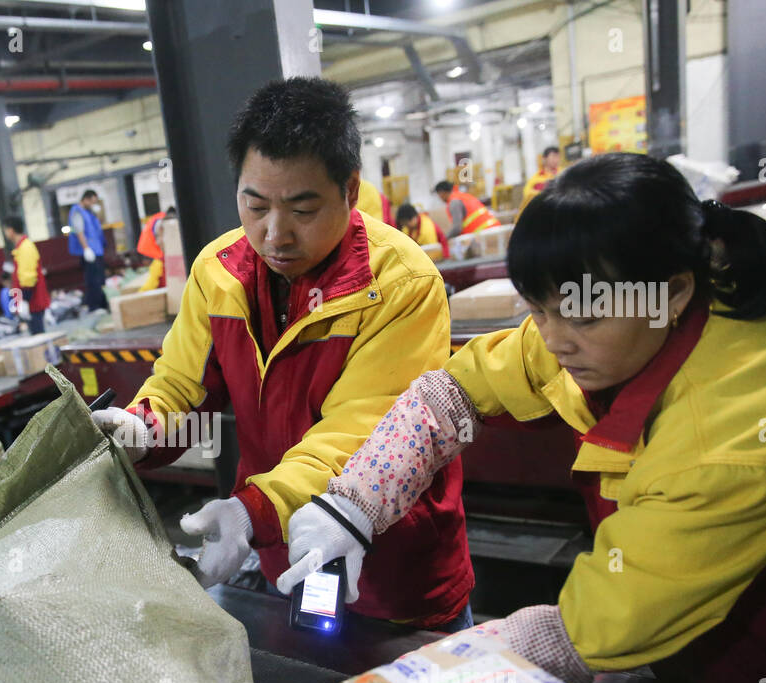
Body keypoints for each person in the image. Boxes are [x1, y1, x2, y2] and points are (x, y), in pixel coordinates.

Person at [278, 152, 766, 683]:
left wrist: (452, 678)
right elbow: (457, 392)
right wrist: (355, 504)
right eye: (537, 310)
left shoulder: (732, 436)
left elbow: (609, 619)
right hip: (689, 644)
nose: (555, 340)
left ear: (674, 294)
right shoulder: (622, 315)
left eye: (581, 318)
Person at [93, 77, 473, 631]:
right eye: (255, 205)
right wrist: (143, 430)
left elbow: (360, 435)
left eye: (302, 208)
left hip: (394, 566)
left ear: (349, 190)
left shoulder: (399, 284)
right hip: (282, 551)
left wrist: (254, 510)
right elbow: (182, 386)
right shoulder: (219, 272)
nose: (275, 234)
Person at [2, 215, 52, 335]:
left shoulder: (26, 247)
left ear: (11, 230)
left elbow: (28, 278)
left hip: (33, 300)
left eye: (5, 230)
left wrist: (24, 300)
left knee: (38, 335)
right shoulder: (21, 248)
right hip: (30, 300)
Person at [68, 189, 109, 313]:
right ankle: (94, 306)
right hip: (89, 252)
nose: (93, 205)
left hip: (97, 250)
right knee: (93, 280)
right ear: (86, 199)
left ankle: (102, 304)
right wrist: (86, 249)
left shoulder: (89, 212)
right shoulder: (77, 212)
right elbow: (79, 231)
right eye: (92, 202)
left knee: (100, 279)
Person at [136, 206, 176, 291]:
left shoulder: (163, 221)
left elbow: (147, 288)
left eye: (158, 237)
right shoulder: (162, 221)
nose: (157, 242)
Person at [519, 145, 561, 214]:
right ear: (544, 159)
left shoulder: (563, 173)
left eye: (558, 157)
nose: (556, 160)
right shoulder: (536, 178)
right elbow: (527, 193)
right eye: (553, 157)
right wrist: (543, 194)